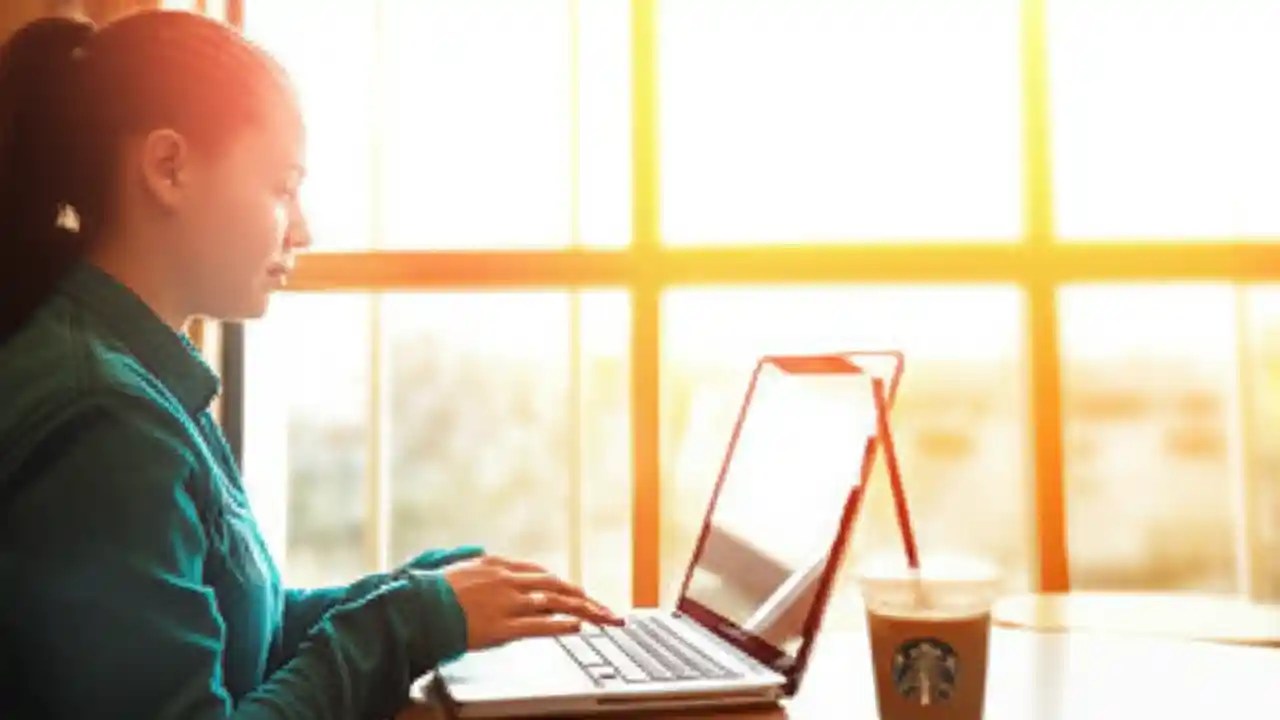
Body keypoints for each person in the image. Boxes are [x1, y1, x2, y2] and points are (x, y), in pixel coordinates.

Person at [0, 10, 621, 719]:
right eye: (282, 186)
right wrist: (406, 621)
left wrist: (415, 595)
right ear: (168, 168)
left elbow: (234, 633)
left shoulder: (137, 380)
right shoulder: (104, 421)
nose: (303, 228)